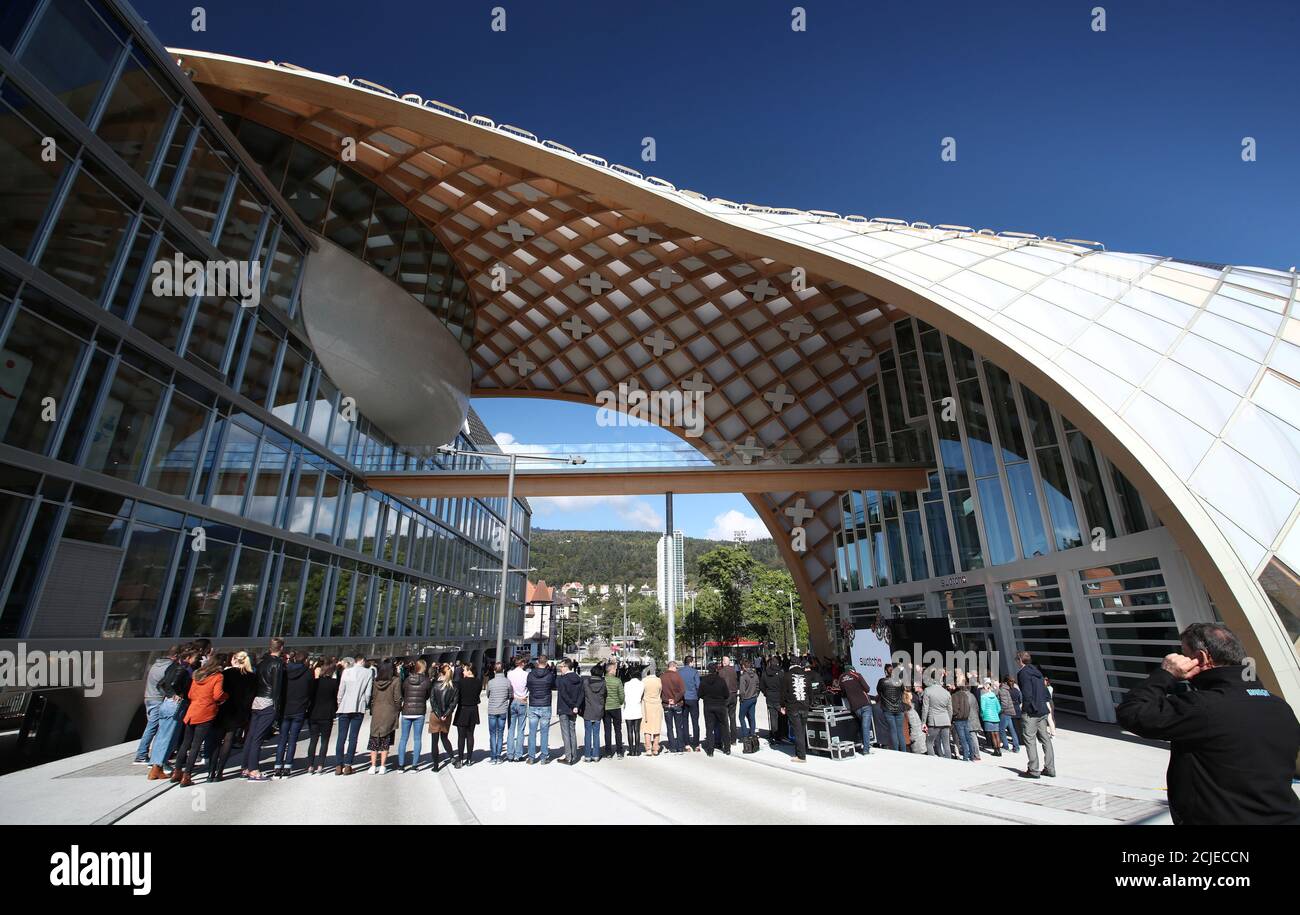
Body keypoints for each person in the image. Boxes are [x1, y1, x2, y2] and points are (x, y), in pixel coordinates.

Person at [1116, 623, 1300, 824]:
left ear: (1202, 658)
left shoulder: (1202, 707)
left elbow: (1132, 713)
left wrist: (1166, 674)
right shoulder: (1279, 707)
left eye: (1184, 654)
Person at [172, 656, 225, 786]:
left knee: (185, 743)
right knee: (196, 745)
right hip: (206, 712)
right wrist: (226, 697)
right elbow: (217, 695)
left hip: (192, 711)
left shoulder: (197, 675)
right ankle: (187, 775)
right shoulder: (218, 676)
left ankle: (177, 771)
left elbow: (190, 694)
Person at [241, 639, 286, 781]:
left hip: (257, 700)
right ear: (281, 648)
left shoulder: (262, 662)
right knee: (258, 737)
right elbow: (277, 686)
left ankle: (245, 767)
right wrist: (276, 707)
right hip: (268, 701)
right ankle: (253, 769)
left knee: (251, 735)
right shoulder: (277, 663)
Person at [209, 650, 254, 781]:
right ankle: (219, 772)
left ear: (234, 660)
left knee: (216, 741)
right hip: (238, 711)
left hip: (223, 708)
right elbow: (250, 697)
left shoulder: (225, 674)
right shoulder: (251, 677)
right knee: (228, 740)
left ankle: (211, 772)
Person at [1013, 651, 1055, 779]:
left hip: (1032, 712)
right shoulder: (1037, 671)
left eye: (1016, 660)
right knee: (1045, 740)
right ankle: (1050, 768)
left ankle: (1033, 770)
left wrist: (1027, 708)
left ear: (1020, 660)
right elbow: (1044, 690)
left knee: (1030, 740)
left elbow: (1027, 693)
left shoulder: (1023, 673)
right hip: (1042, 710)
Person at [135, 646, 180, 765]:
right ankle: (141, 755)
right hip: (158, 698)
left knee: (151, 727)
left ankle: (143, 754)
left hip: (149, 697)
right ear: (176, 656)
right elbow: (165, 684)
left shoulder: (156, 664)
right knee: (153, 728)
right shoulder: (169, 667)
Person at [274, 651, 312, 777]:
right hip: (299, 708)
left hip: (285, 707)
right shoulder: (307, 673)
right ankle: (288, 766)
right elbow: (309, 690)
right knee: (292, 739)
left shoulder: (285, 671)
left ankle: (278, 765)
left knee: (282, 738)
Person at [334, 655, 373, 775]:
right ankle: (348, 765)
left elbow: (341, 689)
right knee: (353, 737)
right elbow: (367, 693)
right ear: (361, 661)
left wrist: (340, 702)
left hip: (345, 706)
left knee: (341, 736)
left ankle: (338, 765)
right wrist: (365, 704)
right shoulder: (368, 673)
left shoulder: (347, 671)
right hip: (358, 706)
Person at [397, 659, 432, 771]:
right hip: (419, 711)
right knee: (417, 739)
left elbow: (403, 693)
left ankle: (401, 765)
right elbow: (427, 695)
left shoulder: (407, 680)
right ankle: (414, 765)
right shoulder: (426, 681)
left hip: (407, 711)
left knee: (403, 738)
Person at [306, 658, 339, 774]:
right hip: (327, 714)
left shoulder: (314, 682)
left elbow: (309, 697)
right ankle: (320, 765)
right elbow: (335, 699)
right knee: (324, 741)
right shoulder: (334, 683)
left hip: (314, 713)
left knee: (313, 740)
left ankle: (310, 765)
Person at [367, 661, 401, 775]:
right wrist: (397, 710)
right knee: (385, 739)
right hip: (389, 711)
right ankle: (382, 766)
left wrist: (373, 709)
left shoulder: (375, 681)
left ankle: (372, 766)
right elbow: (397, 698)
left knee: (374, 738)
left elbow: (373, 697)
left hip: (377, 711)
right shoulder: (395, 681)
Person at [780, 659, 816, 763]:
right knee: (802, 729)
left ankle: (801, 755)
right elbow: (810, 692)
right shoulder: (806, 675)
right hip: (804, 705)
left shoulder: (787, 676)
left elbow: (783, 693)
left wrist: (782, 706)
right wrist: (810, 703)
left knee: (797, 731)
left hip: (793, 706)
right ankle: (802, 750)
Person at [525, 655, 556, 764]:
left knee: (532, 732)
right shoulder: (550, 675)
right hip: (545, 704)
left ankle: (531, 757)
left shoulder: (530, 674)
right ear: (547, 663)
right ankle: (544, 757)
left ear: (538, 662)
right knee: (544, 732)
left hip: (533, 704)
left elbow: (528, 686)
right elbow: (553, 686)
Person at [835, 664, 873, 754]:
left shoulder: (841, 678)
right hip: (865, 704)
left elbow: (843, 693)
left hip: (855, 707)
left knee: (862, 725)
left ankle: (862, 744)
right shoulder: (857, 675)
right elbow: (867, 689)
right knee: (865, 727)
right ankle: (866, 749)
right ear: (852, 670)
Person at [428, 663, 457, 770]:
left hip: (435, 716)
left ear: (441, 673)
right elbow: (453, 704)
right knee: (444, 738)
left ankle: (435, 765)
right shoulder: (453, 687)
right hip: (447, 716)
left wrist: (438, 714)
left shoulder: (435, 685)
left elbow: (432, 700)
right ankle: (452, 757)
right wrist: (446, 714)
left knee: (434, 741)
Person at [555, 659, 584, 764]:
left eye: (561, 667)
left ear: (566, 667)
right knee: (572, 731)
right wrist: (576, 706)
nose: (560, 669)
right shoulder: (579, 678)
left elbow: (564, 694)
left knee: (565, 733)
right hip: (574, 709)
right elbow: (582, 694)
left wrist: (572, 705)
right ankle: (574, 754)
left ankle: (568, 756)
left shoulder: (563, 680)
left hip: (564, 708)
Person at [700, 663, 731, 756]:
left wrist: (707, 698)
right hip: (720, 705)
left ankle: (710, 750)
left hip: (708, 705)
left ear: (708, 670)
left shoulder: (704, 681)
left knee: (709, 728)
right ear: (716, 669)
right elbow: (726, 694)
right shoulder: (721, 681)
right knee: (724, 726)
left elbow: (700, 694)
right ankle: (727, 748)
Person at [454, 661, 481, 767]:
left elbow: (458, 697)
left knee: (461, 736)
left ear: (469, 670)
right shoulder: (478, 682)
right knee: (470, 735)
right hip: (473, 709)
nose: (463, 672)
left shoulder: (461, 682)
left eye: (464, 670)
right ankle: (469, 759)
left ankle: (460, 759)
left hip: (463, 709)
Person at [485, 661, 511, 765]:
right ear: (504, 670)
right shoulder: (507, 682)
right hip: (502, 710)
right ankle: (499, 756)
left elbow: (488, 694)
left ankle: (493, 756)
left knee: (492, 733)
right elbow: (510, 694)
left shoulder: (491, 682)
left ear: (494, 670)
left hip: (492, 710)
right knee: (500, 733)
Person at [921, 674, 952, 758]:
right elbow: (950, 710)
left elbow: (925, 708)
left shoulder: (927, 690)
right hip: (945, 720)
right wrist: (949, 720)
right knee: (946, 745)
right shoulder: (947, 693)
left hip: (934, 721)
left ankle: (933, 763)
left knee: (929, 743)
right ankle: (950, 763)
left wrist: (923, 722)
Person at [877, 664, 906, 752]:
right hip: (899, 709)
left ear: (885, 671)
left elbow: (879, 692)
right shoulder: (899, 681)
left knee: (893, 731)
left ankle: (896, 752)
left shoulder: (882, 681)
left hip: (888, 709)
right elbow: (902, 692)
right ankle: (904, 752)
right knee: (900, 732)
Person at [506, 656, 529, 762]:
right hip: (522, 700)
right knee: (521, 729)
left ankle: (510, 754)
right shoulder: (526, 674)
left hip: (512, 700)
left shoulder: (509, 674)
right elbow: (528, 687)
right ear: (522, 663)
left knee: (511, 729)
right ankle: (518, 754)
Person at [582, 663, 606, 762]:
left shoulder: (586, 682)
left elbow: (583, 695)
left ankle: (587, 755)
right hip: (598, 710)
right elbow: (605, 695)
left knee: (588, 733)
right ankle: (596, 755)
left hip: (588, 710)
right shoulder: (604, 683)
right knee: (596, 734)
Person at [661, 660, 686, 753]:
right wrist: (675, 699)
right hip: (677, 704)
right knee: (679, 726)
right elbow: (683, 690)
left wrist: (667, 700)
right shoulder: (678, 676)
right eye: (676, 667)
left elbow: (660, 692)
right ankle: (680, 746)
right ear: (673, 666)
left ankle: (672, 747)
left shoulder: (662, 677)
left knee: (669, 727)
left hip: (666, 705)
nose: (677, 669)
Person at [950, 679, 978, 761]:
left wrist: (953, 716)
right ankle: (972, 755)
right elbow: (968, 707)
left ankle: (966, 757)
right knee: (968, 737)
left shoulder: (954, 696)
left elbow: (954, 709)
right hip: (966, 719)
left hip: (958, 720)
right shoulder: (965, 694)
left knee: (962, 739)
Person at [760, 657, 785, 747]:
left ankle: (774, 735)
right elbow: (784, 686)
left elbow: (761, 686)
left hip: (770, 697)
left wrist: (766, 693)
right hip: (779, 697)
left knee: (773, 717)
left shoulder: (765, 673)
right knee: (781, 717)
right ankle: (780, 735)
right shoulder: (781, 673)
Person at [603, 661, 625, 759]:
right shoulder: (617, 681)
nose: (616, 671)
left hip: (606, 707)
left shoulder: (603, 680)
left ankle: (608, 752)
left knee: (607, 730)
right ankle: (619, 751)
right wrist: (620, 702)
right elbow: (621, 695)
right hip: (616, 707)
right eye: (615, 669)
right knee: (618, 730)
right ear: (611, 670)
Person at [640, 663, 663, 756]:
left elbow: (642, 692)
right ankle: (655, 748)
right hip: (657, 705)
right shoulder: (659, 680)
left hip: (646, 705)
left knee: (647, 727)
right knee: (656, 727)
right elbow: (660, 692)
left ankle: (648, 748)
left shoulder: (644, 680)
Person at [679, 656, 701, 751]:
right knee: (695, 721)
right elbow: (698, 686)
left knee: (685, 721)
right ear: (691, 662)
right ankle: (696, 744)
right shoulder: (694, 672)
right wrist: (697, 696)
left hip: (683, 698)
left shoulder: (679, 672)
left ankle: (687, 744)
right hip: (693, 698)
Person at [978, 678, 1004, 757]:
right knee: (997, 734)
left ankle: (995, 750)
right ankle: (999, 750)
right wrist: (996, 713)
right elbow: (999, 708)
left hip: (988, 717)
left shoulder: (983, 696)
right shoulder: (994, 696)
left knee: (992, 734)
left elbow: (982, 708)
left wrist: (982, 715)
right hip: (995, 716)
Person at [737, 660, 761, 742]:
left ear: (743, 666)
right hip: (753, 698)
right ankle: (752, 733)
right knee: (752, 716)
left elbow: (742, 691)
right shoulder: (755, 675)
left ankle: (745, 735)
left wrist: (741, 699)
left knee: (741, 717)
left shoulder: (743, 676)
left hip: (746, 699)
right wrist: (756, 694)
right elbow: (758, 686)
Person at [997, 676, 1021, 753]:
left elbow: (1004, 703)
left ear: (1003, 682)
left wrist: (1000, 711)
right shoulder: (1012, 690)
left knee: (1001, 729)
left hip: (1005, 712)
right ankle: (1016, 747)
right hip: (1010, 711)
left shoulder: (1003, 690)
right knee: (1012, 730)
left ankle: (1005, 746)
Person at [624, 669, 644, 756]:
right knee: (637, 730)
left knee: (629, 730)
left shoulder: (626, 684)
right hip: (637, 708)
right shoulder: (642, 684)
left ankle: (631, 750)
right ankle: (637, 750)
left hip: (628, 708)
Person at [719, 655, 739, 745]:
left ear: (723, 662)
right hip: (734, 695)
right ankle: (734, 739)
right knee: (733, 717)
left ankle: (725, 738)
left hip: (725, 696)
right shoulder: (734, 670)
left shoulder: (721, 672)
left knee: (724, 718)